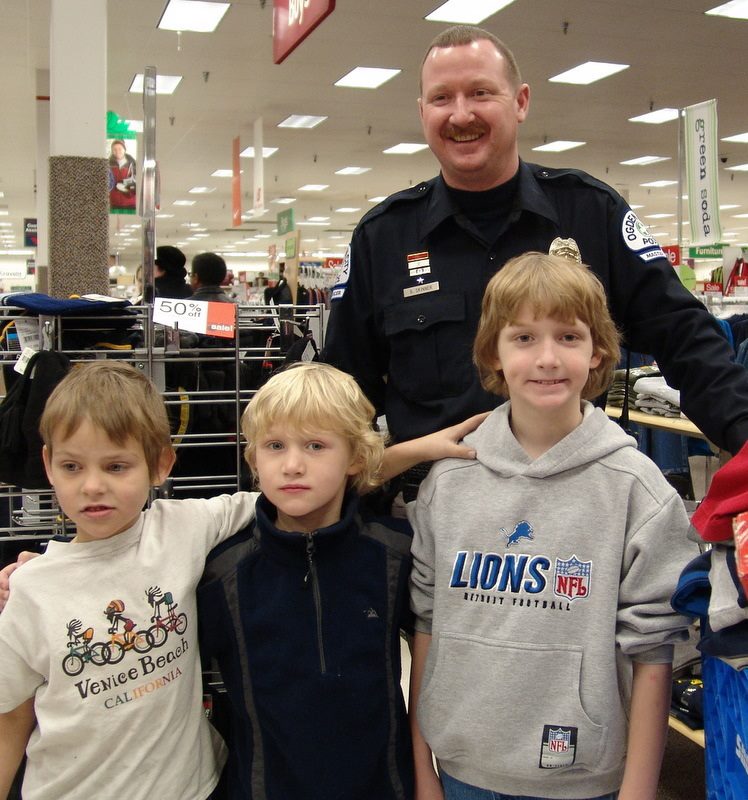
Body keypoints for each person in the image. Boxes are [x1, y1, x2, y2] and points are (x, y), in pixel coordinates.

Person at [322, 24, 748, 458]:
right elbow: (343, 388)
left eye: (481, 93)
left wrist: (742, 434)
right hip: (427, 508)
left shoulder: (591, 213)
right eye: (442, 97)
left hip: (574, 502)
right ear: (422, 112)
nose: (461, 114)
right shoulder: (384, 237)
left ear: (521, 102)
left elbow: (684, 335)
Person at [408, 252, 697, 800]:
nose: (547, 358)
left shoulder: (638, 490)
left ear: (598, 352)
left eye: (568, 336)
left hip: (584, 779)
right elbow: (427, 622)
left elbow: (653, 651)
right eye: (523, 338)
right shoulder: (448, 483)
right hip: (462, 770)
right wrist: (423, 769)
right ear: (494, 349)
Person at [0, 360, 260, 800]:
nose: (92, 486)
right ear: (47, 464)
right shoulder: (31, 590)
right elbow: (10, 717)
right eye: (72, 467)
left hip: (192, 786)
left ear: (160, 464)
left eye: (116, 467)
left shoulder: (183, 528)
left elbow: (276, 497)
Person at [197, 362, 415, 798]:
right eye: (275, 445)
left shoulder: (396, 554)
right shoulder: (221, 573)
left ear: (355, 456)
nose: (293, 465)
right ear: (253, 458)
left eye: (315, 445)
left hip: (382, 787)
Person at [108, 139, 136, 211]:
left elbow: (138, 182)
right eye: (114, 149)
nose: (117, 151)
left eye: (120, 149)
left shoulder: (133, 164)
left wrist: (126, 186)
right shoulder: (108, 164)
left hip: (131, 204)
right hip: (113, 204)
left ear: (124, 149)